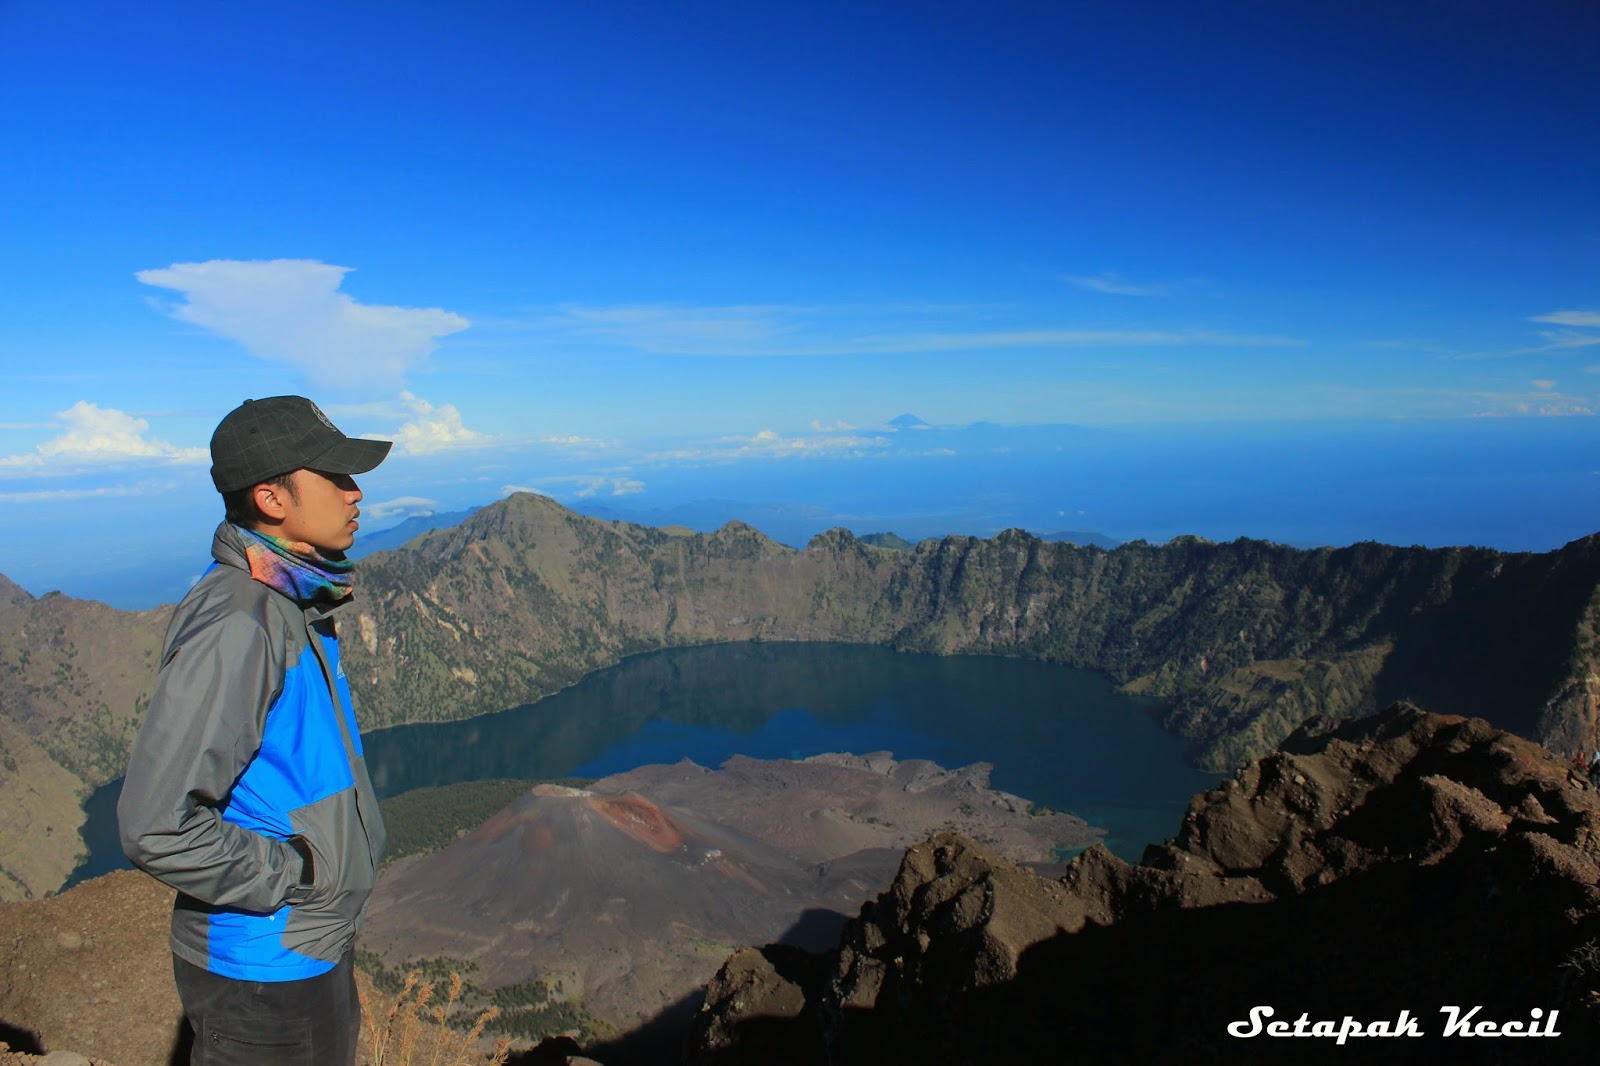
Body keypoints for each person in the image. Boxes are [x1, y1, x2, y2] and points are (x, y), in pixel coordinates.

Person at [118, 395, 391, 1065]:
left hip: (300, 949)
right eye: (335, 477)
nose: (356, 494)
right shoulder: (240, 621)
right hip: (263, 970)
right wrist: (295, 874)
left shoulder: (289, 600)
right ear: (272, 498)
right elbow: (155, 823)